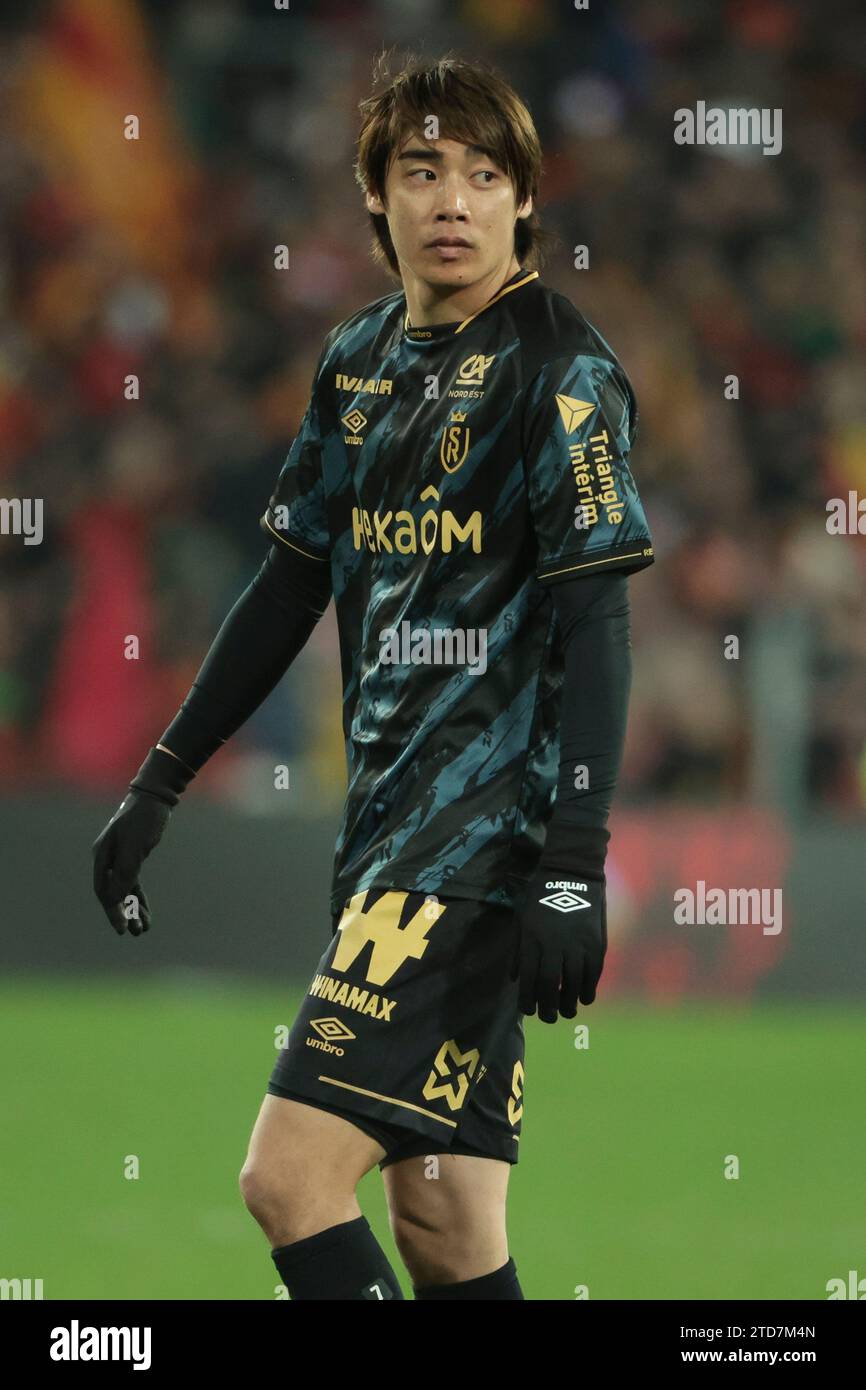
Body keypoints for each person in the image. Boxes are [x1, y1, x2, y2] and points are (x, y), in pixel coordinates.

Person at [92, 52, 654, 1301]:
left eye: (481, 173)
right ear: (376, 201)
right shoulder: (355, 365)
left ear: (521, 204)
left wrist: (569, 861)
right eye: (420, 171)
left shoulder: (558, 371)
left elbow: (597, 624)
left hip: (475, 857)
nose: (451, 199)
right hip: (383, 840)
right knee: (447, 1224)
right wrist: (161, 780)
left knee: (286, 1180)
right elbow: (287, 588)